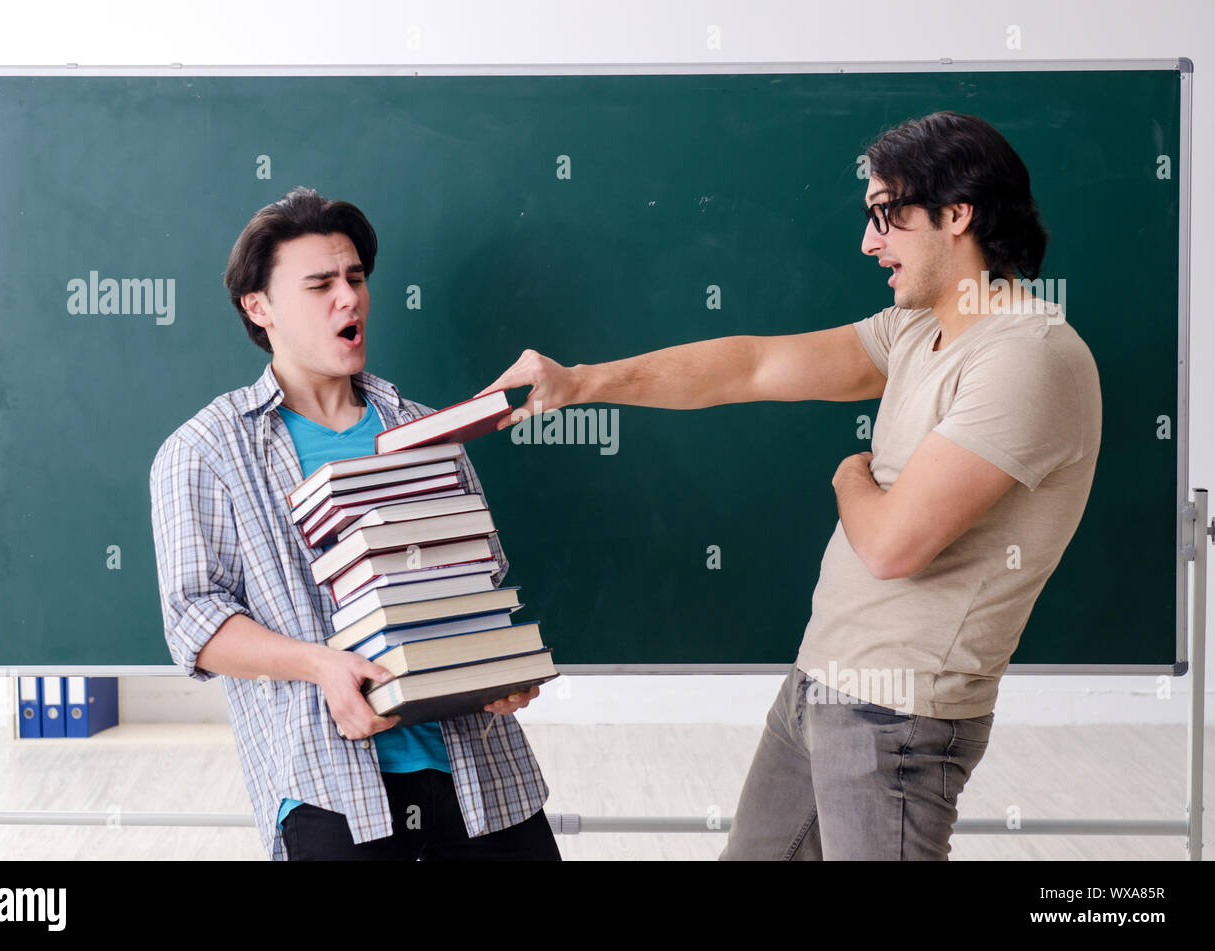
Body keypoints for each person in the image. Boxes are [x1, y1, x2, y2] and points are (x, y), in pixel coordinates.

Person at [476, 111, 1102, 860]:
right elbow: (752, 366)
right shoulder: (916, 330)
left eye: (886, 216)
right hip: (820, 687)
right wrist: (581, 382)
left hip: (899, 719)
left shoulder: (1025, 357)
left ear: (958, 213)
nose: (869, 242)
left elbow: (895, 544)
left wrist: (851, 471)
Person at [149, 186, 560, 861]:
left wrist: (500, 665)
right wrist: (322, 666)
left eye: (356, 279)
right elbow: (195, 619)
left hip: (483, 777)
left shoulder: (426, 429)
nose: (349, 298)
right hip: (332, 790)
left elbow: (483, 576)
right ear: (260, 307)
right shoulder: (206, 450)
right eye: (320, 285)